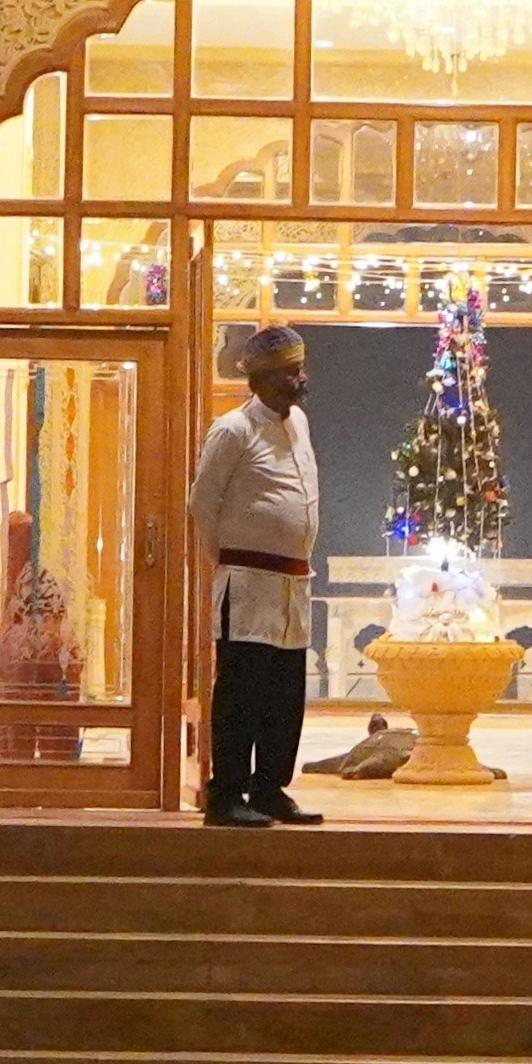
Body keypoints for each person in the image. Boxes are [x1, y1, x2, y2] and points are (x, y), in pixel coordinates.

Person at [185, 324, 324, 829]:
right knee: (242, 693)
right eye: (289, 373)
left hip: (293, 584)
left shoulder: (298, 423)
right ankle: (226, 796)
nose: (299, 380)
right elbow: (203, 505)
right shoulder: (232, 430)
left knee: (284, 696)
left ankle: (269, 789)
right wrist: (226, 561)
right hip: (247, 584)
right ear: (260, 378)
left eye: (299, 370)